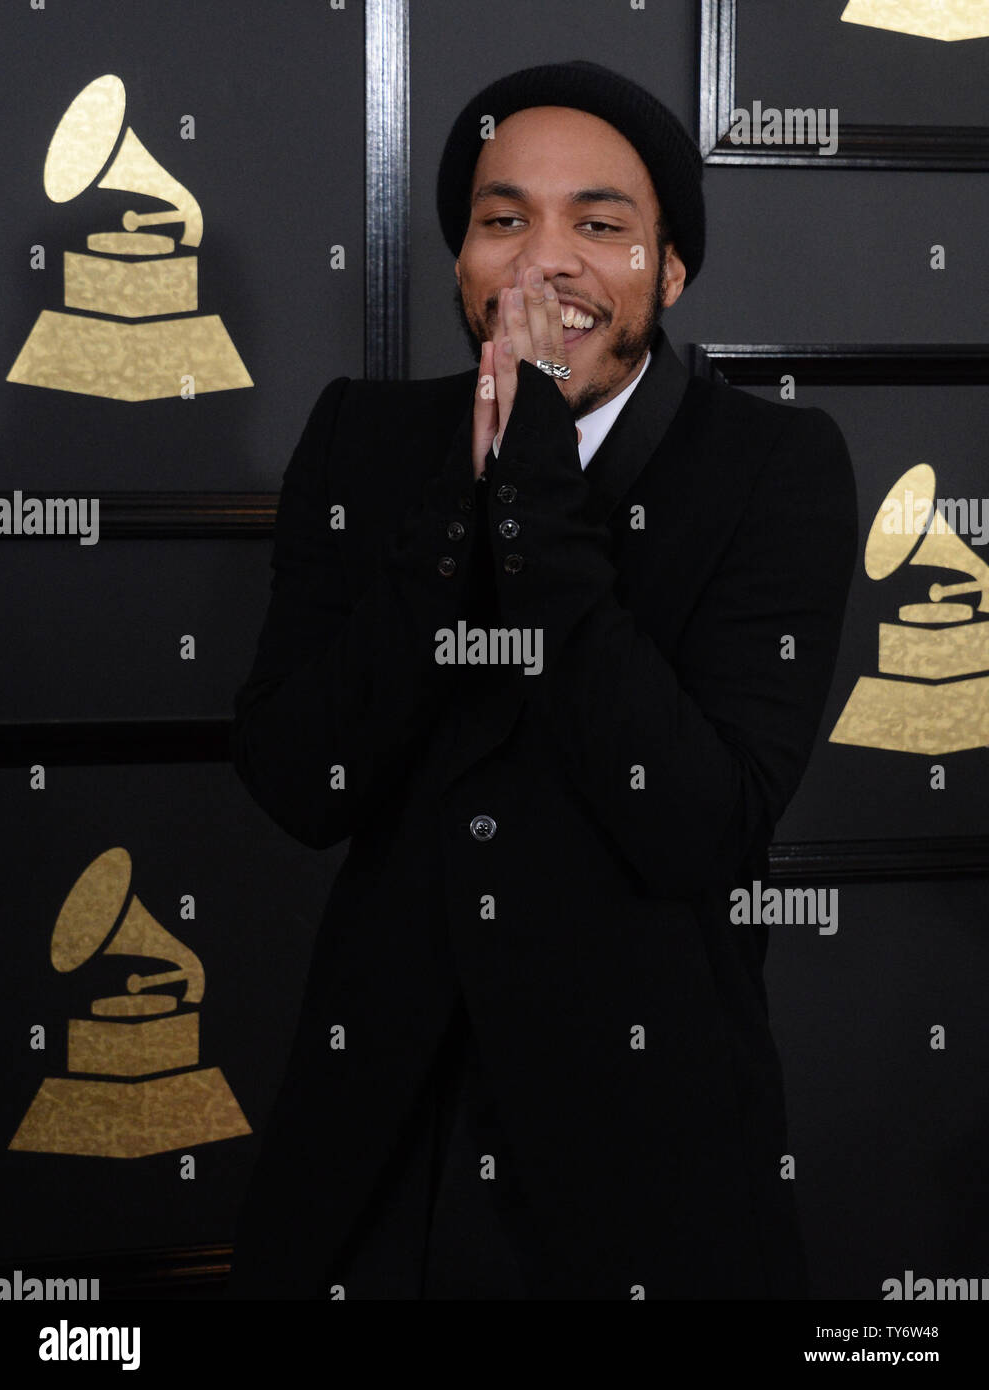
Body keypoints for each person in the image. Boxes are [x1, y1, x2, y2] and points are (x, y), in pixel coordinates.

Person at [228, 60, 858, 1300]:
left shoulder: (773, 463)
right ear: (462, 260)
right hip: (375, 1147)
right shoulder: (360, 435)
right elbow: (302, 778)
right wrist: (455, 516)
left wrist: (529, 492)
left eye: (600, 223)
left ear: (668, 270)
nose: (543, 261)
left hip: (645, 1158)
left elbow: (698, 821)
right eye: (503, 219)